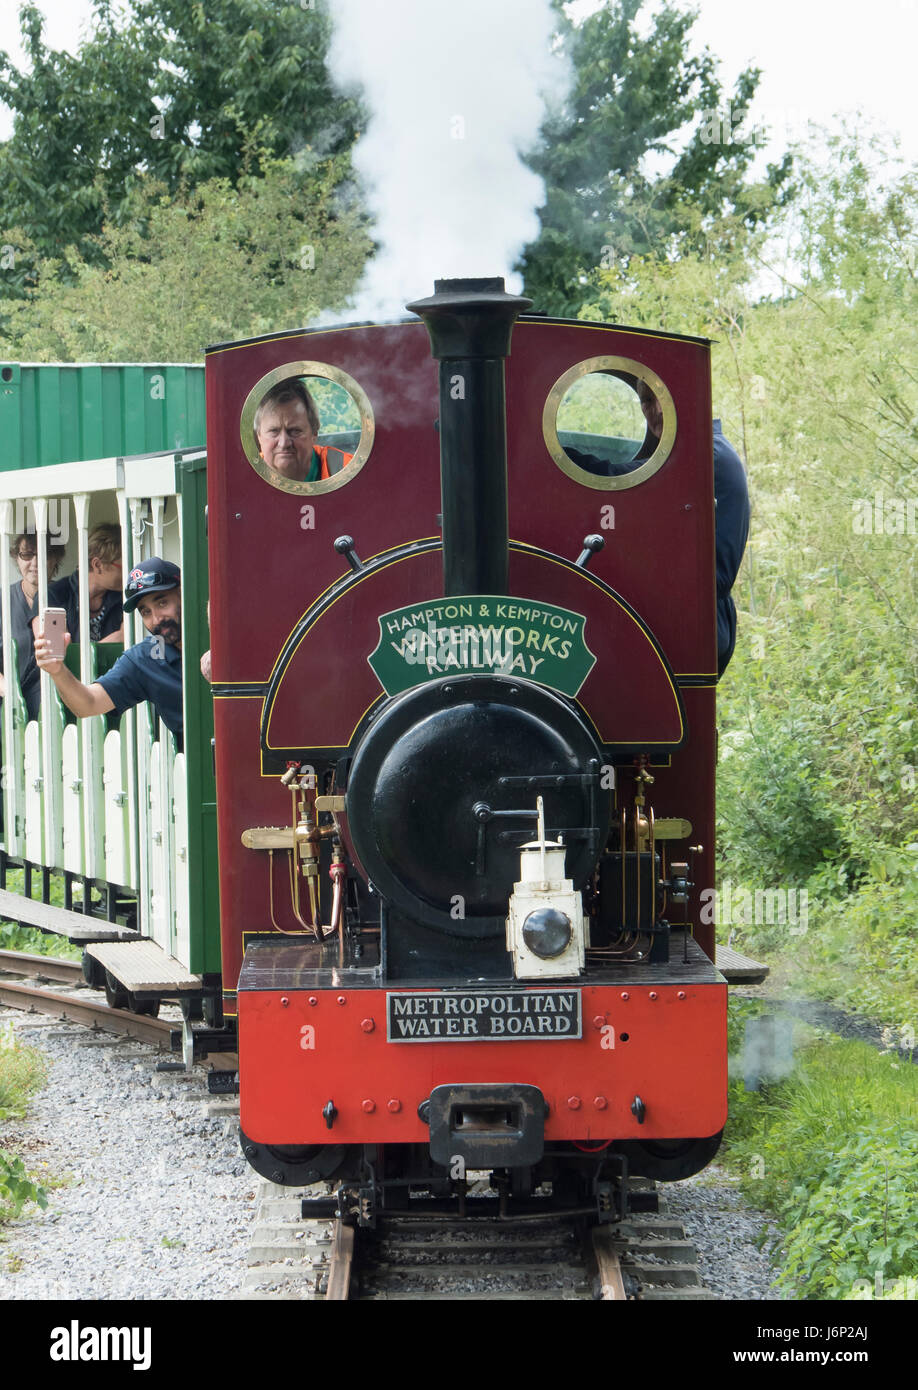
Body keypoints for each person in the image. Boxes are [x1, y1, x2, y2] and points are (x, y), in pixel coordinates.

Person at [34, 557, 184, 743]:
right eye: (145, 612)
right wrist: (57, 671)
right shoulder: (144, 658)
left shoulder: (221, 635)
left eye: (162, 603)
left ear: (182, 593)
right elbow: (88, 704)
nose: (156, 619)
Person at [0, 533, 67, 721]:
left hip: (57, 710)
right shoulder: (3, 600)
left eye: (44, 554)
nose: (35, 562)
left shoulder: (68, 596)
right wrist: (9, 692)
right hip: (9, 712)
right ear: (16, 557)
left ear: (56, 558)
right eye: (27, 555)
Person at [29, 522, 124, 644]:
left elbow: (130, 639)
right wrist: (96, 652)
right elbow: (55, 652)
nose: (129, 572)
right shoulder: (52, 595)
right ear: (97, 565)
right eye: (124, 566)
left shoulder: (124, 595)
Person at [254, 380, 352, 483]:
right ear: (259, 436)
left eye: (295, 431)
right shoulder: (244, 478)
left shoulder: (347, 469)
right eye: (274, 431)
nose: (284, 443)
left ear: (314, 433)